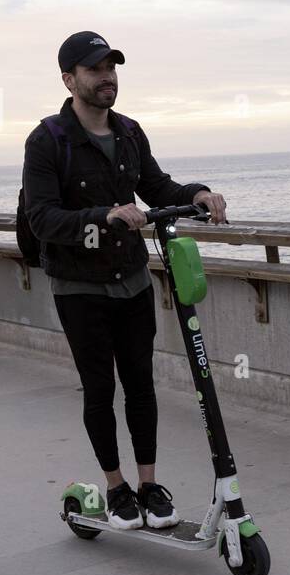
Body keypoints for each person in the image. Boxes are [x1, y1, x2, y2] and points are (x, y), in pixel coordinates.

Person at [23, 31, 228, 531]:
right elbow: (42, 218)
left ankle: (148, 485)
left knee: (141, 386)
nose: (106, 76)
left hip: (132, 281)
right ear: (69, 79)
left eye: (111, 66)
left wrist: (197, 193)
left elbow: (155, 185)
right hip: (79, 286)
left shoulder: (131, 132)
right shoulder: (48, 139)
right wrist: (104, 215)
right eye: (94, 69)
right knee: (99, 389)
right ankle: (115, 489)